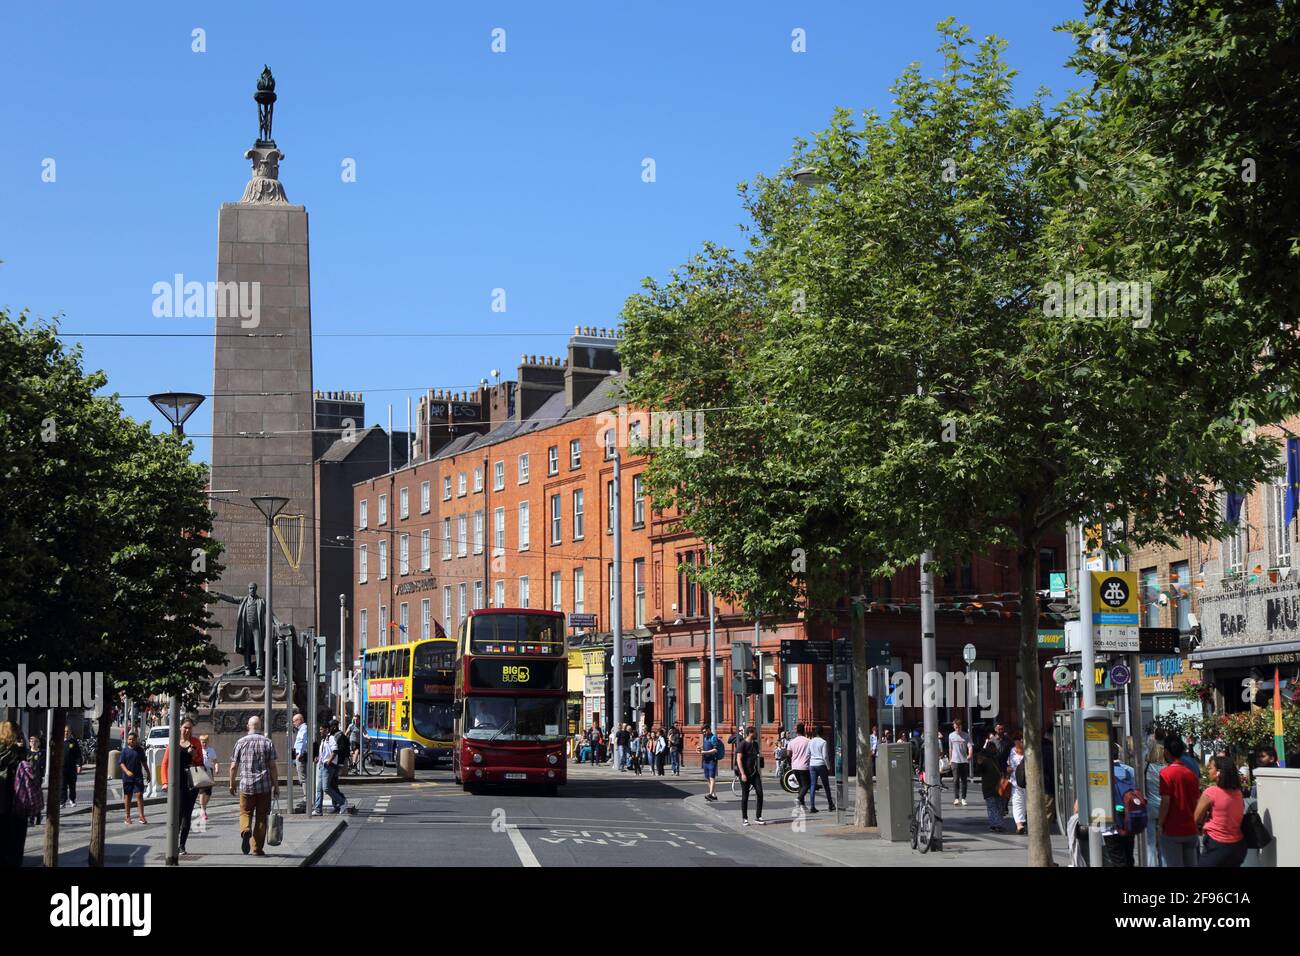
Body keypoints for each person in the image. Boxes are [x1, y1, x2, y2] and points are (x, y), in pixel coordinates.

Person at [229, 715, 278, 856]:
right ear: (260, 726)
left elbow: (233, 766)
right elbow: (273, 766)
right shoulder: (267, 742)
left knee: (245, 812)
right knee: (262, 817)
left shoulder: (240, 742)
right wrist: (276, 786)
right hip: (264, 786)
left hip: (246, 786)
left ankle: (245, 830)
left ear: (248, 726)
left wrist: (232, 784)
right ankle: (257, 848)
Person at [160, 717, 204, 855]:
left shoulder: (195, 742)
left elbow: (200, 762)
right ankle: (173, 843)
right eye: (185, 727)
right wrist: (165, 782)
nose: (187, 730)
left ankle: (182, 845)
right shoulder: (173, 743)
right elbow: (164, 764)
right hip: (176, 783)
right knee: (177, 814)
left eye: (190, 728)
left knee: (187, 814)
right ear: (180, 728)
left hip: (191, 783)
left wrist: (194, 754)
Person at [1156, 735, 1200, 867]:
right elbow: (1196, 800)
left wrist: (1160, 824)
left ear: (1166, 751)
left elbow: (1166, 801)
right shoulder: (1191, 773)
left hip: (1172, 829)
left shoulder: (1166, 774)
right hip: (1190, 828)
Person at [1195, 755, 1246, 867]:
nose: (1208, 770)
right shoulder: (1238, 793)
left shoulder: (1211, 792)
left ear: (1219, 772)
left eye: (1210, 768)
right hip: (1237, 847)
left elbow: (1196, 818)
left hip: (1217, 846)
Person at [1102, 743, 1137, 867]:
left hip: (1109, 826)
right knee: (1129, 858)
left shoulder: (1102, 772)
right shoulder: (1129, 771)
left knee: (1117, 860)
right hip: (1128, 821)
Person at [0, 722, 30, 867]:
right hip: (10, 802)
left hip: (14, 802)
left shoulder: (20, 749)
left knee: (13, 840)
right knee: (11, 841)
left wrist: (20, 749)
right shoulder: (11, 750)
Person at [313, 719, 352, 815]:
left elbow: (335, 751)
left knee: (326, 788)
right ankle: (318, 810)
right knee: (319, 789)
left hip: (328, 766)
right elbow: (324, 753)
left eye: (322, 729)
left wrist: (329, 761)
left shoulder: (331, 738)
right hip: (322, 765)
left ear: (327, 730)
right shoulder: (323, 740)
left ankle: (342, 802)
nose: (320, 731)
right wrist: (318, 758)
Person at [736, 725, 767, 826]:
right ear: (750, 733)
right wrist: (743, 774)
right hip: (745, 774)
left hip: (754, 773)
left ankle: (758, 817)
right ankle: (745, 818)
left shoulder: (756, 745)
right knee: (745, 796)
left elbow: (757, 757)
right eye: (755, 732)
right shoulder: (742, 744)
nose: (757, 734)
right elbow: (738, 759)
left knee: (760, 793)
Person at [1142, 738, 1165, 866]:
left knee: (1150, 843)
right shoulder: (1167, 769)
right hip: (1164, 807)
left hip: (1150, 806)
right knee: (1163, 843)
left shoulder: (1147, 768)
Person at [119, 731, 150, 825]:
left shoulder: (140, 750)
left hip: (138, 777)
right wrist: (127, 771)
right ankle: (127, 816)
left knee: (139, 795)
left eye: (133, 739)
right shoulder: (124, 750)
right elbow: (121, 763)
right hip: (127, 778)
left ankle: (141, 816)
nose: (132, 741)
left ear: (137, 740)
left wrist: (148, 773)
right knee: (127, 796)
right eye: (130, 739)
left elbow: (144, 762)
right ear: (127, 740)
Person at [975, 739, 1005, 832]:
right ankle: (995, 824)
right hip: (992, 787)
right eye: (992, 748)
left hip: (994, 786)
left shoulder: (994, 759)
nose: (994, 750)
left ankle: (996, 824)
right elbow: (978, 770)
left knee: (996, 806)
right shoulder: (986, 760)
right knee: (995, 806)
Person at [808, 725, 835, 812]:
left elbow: (808, 753)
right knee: (826, 785)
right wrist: (828, 766)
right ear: (822, 733)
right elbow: (825, 756)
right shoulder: (823, 742)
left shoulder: (810, 741)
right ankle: (830, 804)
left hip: (812, 764)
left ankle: (812, 806)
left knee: (812, 785)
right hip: (821, 764)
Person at [948, 718, 973, 807]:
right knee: (955, 780)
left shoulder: (966, 735)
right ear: (954, 727)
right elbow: (950, 748)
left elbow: (970, 746)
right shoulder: (951, 736)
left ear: (961, 726)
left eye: (958, 727)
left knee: (964, 780)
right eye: (955, 727)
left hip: (964, 760)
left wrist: (970, 754)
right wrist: (950, 760)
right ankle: (956, 798)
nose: (957, 729)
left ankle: (963, 798)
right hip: (955, 760)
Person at [787, 722, 811, 810]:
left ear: (797, 731)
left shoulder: (791, 742)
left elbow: (788, 754)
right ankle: (799, 798)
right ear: (804, 730)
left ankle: (802, 805)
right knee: (806, 785)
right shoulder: (808, 741)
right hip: (804, 766)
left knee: (801, 785)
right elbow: (811, 753)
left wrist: (790, 763)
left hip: (795, 766)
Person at [1007, 735, 1027, 835]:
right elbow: (1008, 764)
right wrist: (1008, 769)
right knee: (1018, 803)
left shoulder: (1029, 751)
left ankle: (1024, 822)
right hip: (1016, 782)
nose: (1021, 742)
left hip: (1029, 783)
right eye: (1019, 740)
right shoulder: (1012, 752)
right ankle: (1019, 825)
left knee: (1026, 804)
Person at [196, 734, 218, 823]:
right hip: (201, 771)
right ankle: (202, 809)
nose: (204, 744)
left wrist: (217, 768)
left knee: (208, 792)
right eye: (202, 742)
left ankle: (203, 807)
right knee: (202, 790)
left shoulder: (211, 750)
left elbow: (215, 761)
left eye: (205, 742)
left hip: (209, 771)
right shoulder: (198, 750)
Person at [24, 735, 45, 827]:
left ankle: (38, 815)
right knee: (30, 798)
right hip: (28, 778)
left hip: (37, 778)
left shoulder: (41, 753)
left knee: (36, 798)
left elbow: (44, 766)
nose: (33, 743)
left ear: (38, 743)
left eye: (35, 741)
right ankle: (31, 818)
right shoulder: (27, 753)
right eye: (31, 741)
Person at [61, 726, 82, 808]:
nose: (66, 733)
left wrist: (79, 764)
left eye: (67, 731)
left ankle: (72, 800)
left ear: (70, 732)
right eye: (65, 731)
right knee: (63, 785)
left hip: (72, 767)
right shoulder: (60, 741)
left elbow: (78, 754)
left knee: (72, 785)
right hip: (62, 768)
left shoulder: (73, 742)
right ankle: (62, 801)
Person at [700, 726, 721, 801]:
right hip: (706, 760)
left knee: (712, 777)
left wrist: (704, 752)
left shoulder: (713, 738)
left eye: (705, 731)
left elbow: (715, 750)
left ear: (709, 730)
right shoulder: (705, 737)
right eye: (703, 732)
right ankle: (714, 795)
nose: (704, 733)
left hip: (712, 760)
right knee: (708, 778)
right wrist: (700, 748)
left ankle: (710, 794)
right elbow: (705, 746)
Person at [292, 712, 309, 792]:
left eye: (294, 721)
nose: (293, 723)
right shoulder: (301, 729)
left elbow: (303, 742)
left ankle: (306, 797)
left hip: (301, 756)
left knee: (302, 777)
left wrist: (300, 754)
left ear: (299, 720)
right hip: (299, 755)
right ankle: (306, 796)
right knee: (302, 777)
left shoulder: (304, 729)